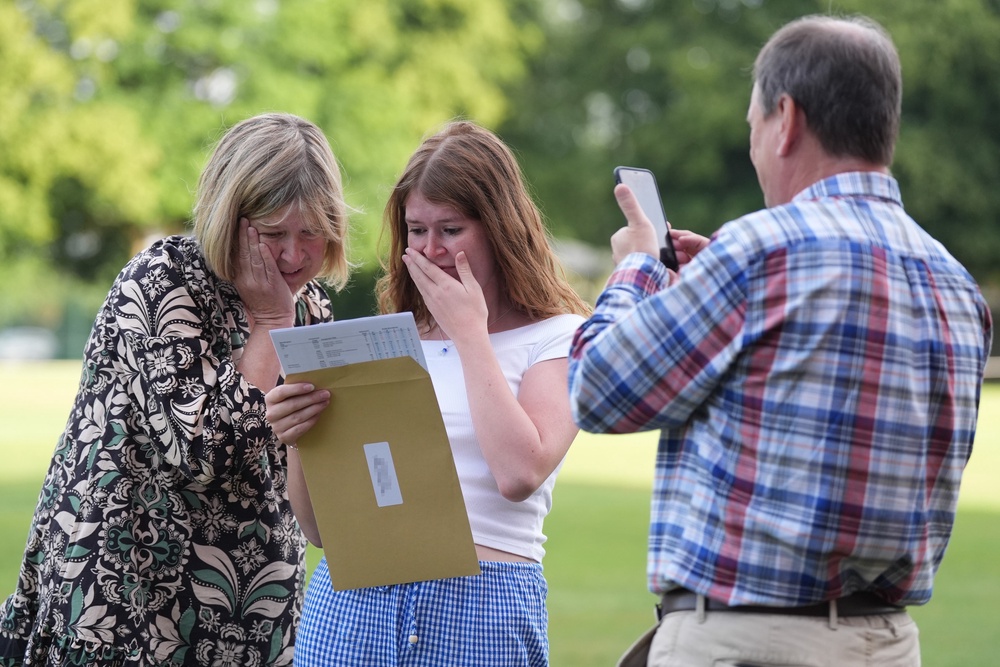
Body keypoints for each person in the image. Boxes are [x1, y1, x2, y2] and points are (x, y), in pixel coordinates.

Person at [568, 14, 992, 667]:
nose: (754, 146)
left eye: (753, 126)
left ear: (786, 118)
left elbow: (597, 387)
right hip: (887, 643)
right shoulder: (955, 284)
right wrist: (722, 283)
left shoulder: (763, 251)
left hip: (749, 641)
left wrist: (638, 267)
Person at [0, 112, 352, 666]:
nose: (291, 255)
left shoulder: (312, 307)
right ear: (230, 216)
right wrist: (270, 324)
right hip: (126, 598)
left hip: (251, 604)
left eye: (310, 234)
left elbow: (315, 462)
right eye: (272, 233)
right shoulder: (162, 281)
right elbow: (200, 451)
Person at [265, 120, 591, 666]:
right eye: (417, 231)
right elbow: (321, 529)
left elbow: (519, 473)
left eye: (451, 230)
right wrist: (299, 436)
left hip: (484, 607)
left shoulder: (560, 336)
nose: (431, 250)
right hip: (352, 610)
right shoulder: (386, 338)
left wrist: (469, 334)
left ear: (500, 228)